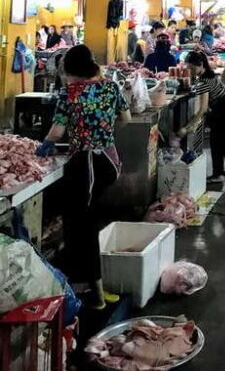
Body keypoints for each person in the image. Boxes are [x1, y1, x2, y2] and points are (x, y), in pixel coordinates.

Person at [36, 44, 131, 308]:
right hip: (110, 162)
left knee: (82, 225)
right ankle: (82, 282)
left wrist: (45, 144)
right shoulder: (111, 86)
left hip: (85, 165)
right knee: (83, 220)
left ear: (72, 71)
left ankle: (95, 293)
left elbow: (57, 130)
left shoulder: (71, 93)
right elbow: (126, 117)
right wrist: (103, 126)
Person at [186, 50, 225, 182]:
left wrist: (189, 126)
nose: (190, 71)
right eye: (188, 68)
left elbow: (203, 109)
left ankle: (217, 174)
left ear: (200, 65)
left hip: (224, 105)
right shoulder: (208, 74)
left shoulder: (203, 82)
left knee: (216, 140)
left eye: (192, 68)